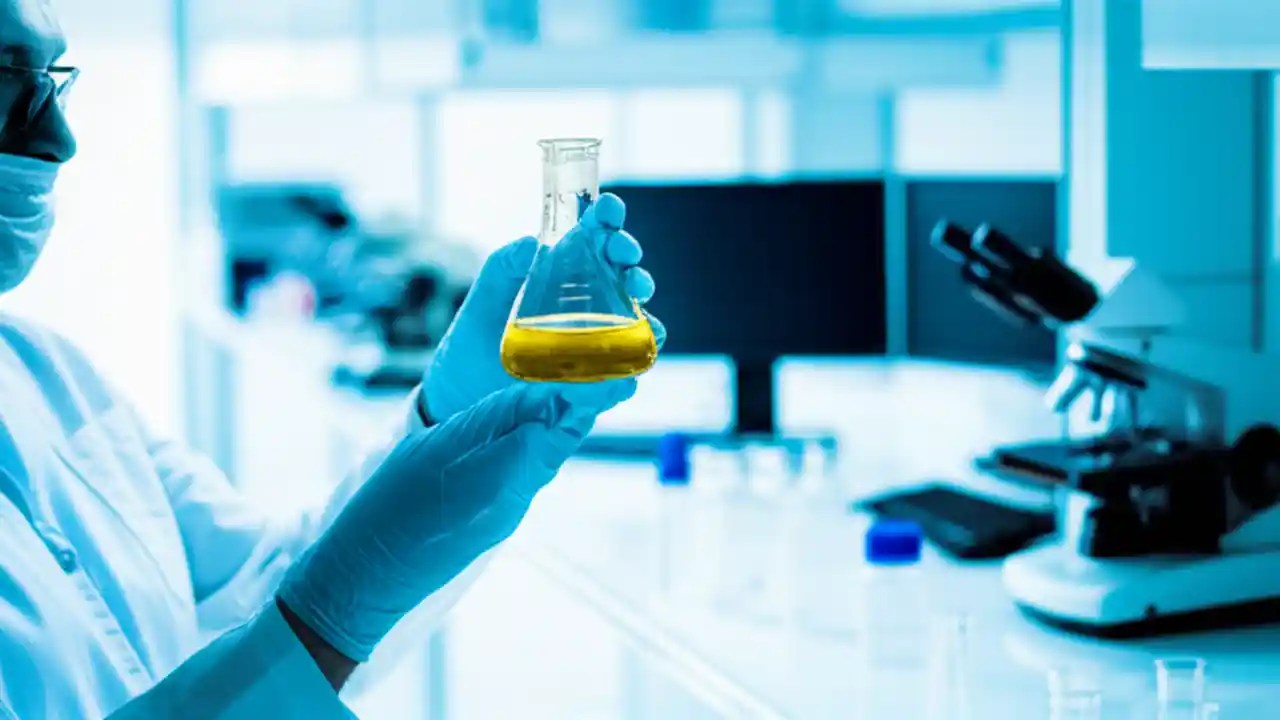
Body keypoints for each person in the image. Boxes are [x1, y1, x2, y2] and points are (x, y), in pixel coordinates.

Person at [0, 2, 665, 718]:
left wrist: (449, 410)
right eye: (8, 83)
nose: (59, 140)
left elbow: (263, 602)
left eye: (51, 83)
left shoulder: (49, 375)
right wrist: (328, 616)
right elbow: (306, 622)